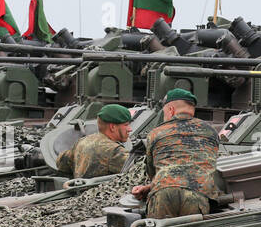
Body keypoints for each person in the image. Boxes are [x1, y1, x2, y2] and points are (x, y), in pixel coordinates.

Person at [131, 88, 220, 219]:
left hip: (163, 193)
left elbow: (152, 172)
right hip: (198, 194)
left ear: (171, 110)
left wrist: (149, 187)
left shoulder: (156, 133)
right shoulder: (211, 132)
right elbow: (207, 167)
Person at [55, 103, 134, 178]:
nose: (130, 129)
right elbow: (139, 172)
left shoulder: (82, 142)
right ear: (112, 127)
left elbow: (61, 163)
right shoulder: (115, 151)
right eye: (126, 125)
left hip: (79, 191)